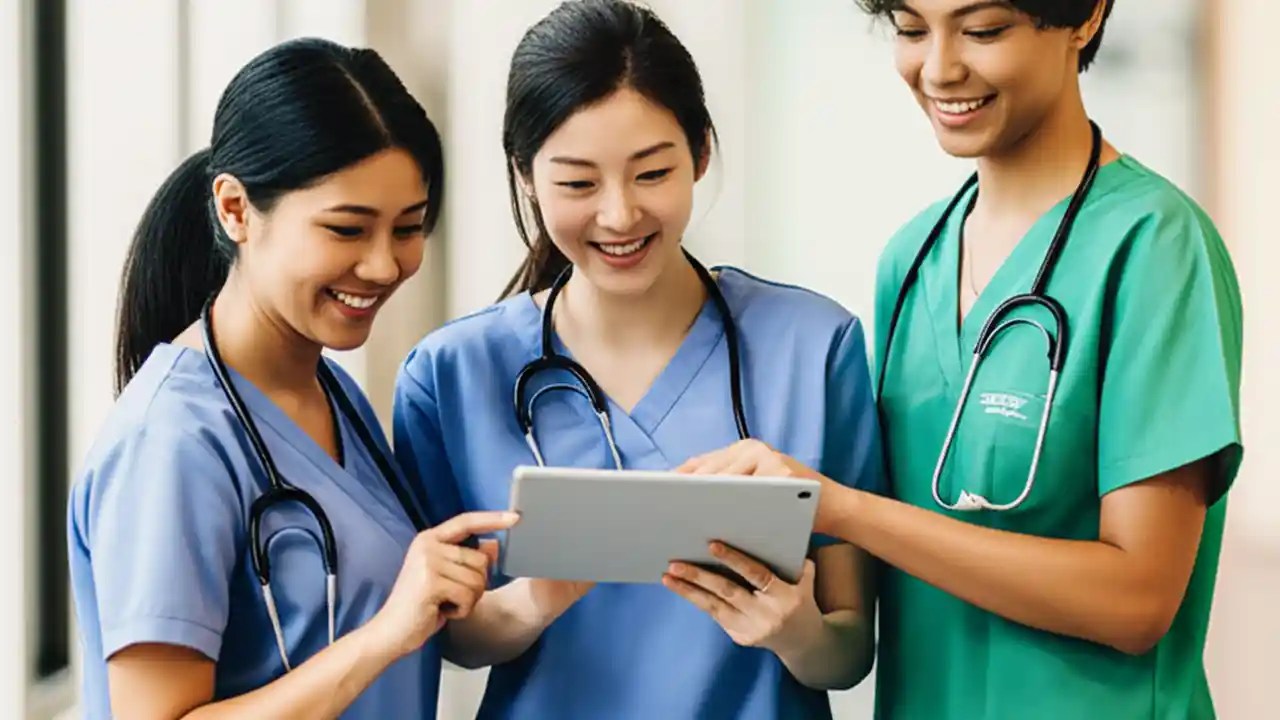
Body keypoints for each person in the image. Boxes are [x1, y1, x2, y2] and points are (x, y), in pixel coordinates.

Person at [680, 1, 1244, 718]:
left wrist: (846, 509)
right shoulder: (912, 261)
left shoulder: (1155, 247)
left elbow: (1136, 600)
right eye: (912, 30)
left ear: (1085, 17)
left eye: (983, 31)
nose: (939, 68)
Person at [391, 1, 882, 717]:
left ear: (701, 155)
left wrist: (797, 630)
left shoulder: (814, 347)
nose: (619, 216)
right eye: (578, 183)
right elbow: (452, 634)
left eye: (652, 173)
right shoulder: (451, 375)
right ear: (526, 176)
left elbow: (848, 649)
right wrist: (535, 600)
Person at [67, 38, 516, 720]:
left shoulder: (334, 396)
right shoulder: (172, 442)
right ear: (236, 210)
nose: (383, 266)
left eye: (408, 227)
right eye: (346, 229)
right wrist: (387, 635)